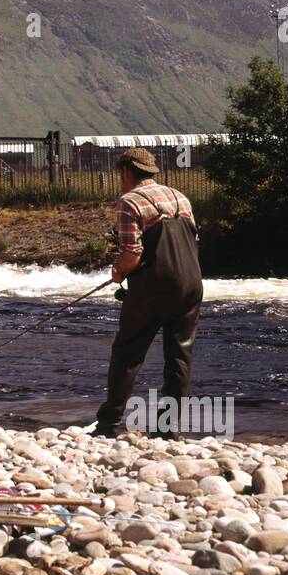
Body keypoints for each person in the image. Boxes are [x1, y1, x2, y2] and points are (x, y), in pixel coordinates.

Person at [92, 147, 203, 438]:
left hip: (154, 287)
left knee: (127, 352)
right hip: (191, 284)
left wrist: (118, 272)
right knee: (179, 356)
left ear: (126, 172)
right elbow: (194, 240)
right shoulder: (180, 197)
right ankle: (167, 430)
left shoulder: (129, 202)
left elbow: (133, 251)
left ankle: (108, 424)